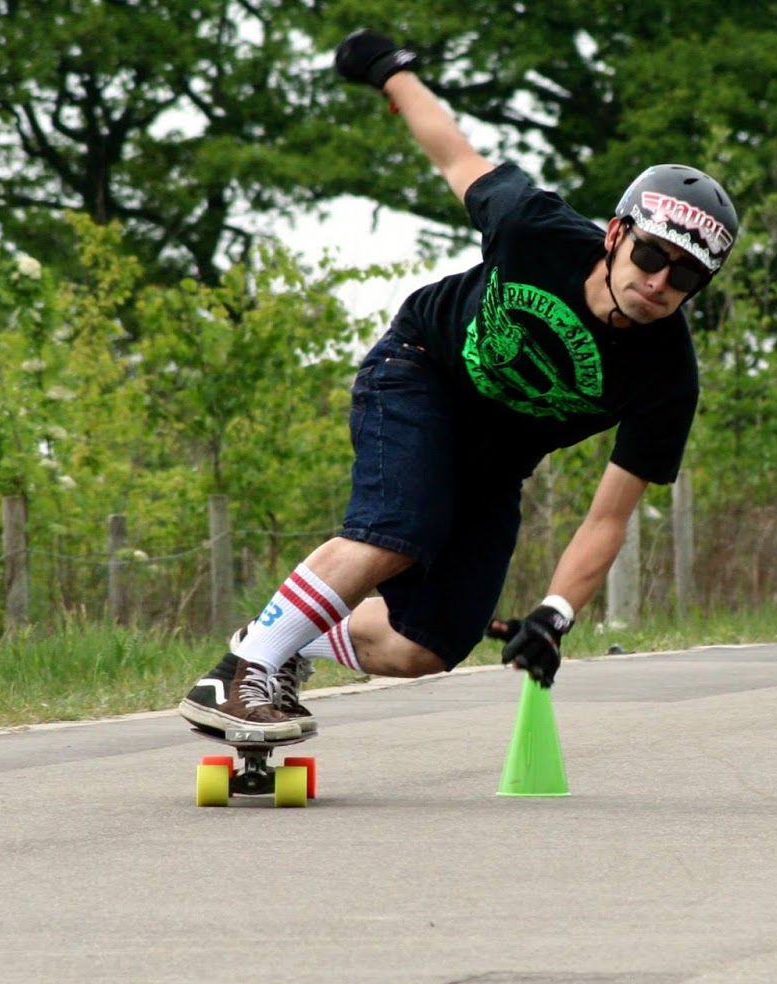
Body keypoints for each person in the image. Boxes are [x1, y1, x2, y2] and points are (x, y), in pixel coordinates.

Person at [178, 29, 739, 741]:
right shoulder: (532, 228)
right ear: (616, 234)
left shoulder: (668, 378)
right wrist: (391, 72)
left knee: (430, 643)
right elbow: (453, 153)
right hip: (420, 368)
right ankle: (238, 674)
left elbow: (608, 517)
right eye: (652, 254)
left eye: (685, 275)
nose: (659, 282)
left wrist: (555, 614)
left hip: (495, 462)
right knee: (400, 529)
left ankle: (282, 638)